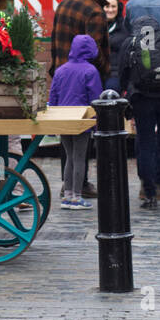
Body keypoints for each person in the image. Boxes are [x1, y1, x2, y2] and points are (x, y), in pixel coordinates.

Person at [117, 11, 160, 209]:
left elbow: (122, 73)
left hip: (142, 99)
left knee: (145, 145)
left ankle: (149, 195)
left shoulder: (131, 43)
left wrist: (128, 91)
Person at [47, 34, 102, 210]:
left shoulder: (61, 70)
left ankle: (68, 195)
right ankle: (77, 196)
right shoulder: (91, 71)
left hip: (63, 119)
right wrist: (97, 122)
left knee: (69, 157)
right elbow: (96, 99)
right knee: (80, 158)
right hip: (82, 120)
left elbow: (53, 96)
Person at [49, 0, 110, 79]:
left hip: (61, 72)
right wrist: (105, 68)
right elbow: (93, 51)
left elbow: (54, 41)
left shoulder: (64, 3)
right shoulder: (95, 11)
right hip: (83, 78)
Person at [103, 0, 129, 91]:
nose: (110, 10)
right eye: (107, 6)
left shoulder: (124, 27)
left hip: (115, 73)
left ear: (118, 8)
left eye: (113, 6)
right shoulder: (94, 26)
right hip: (96, 72)